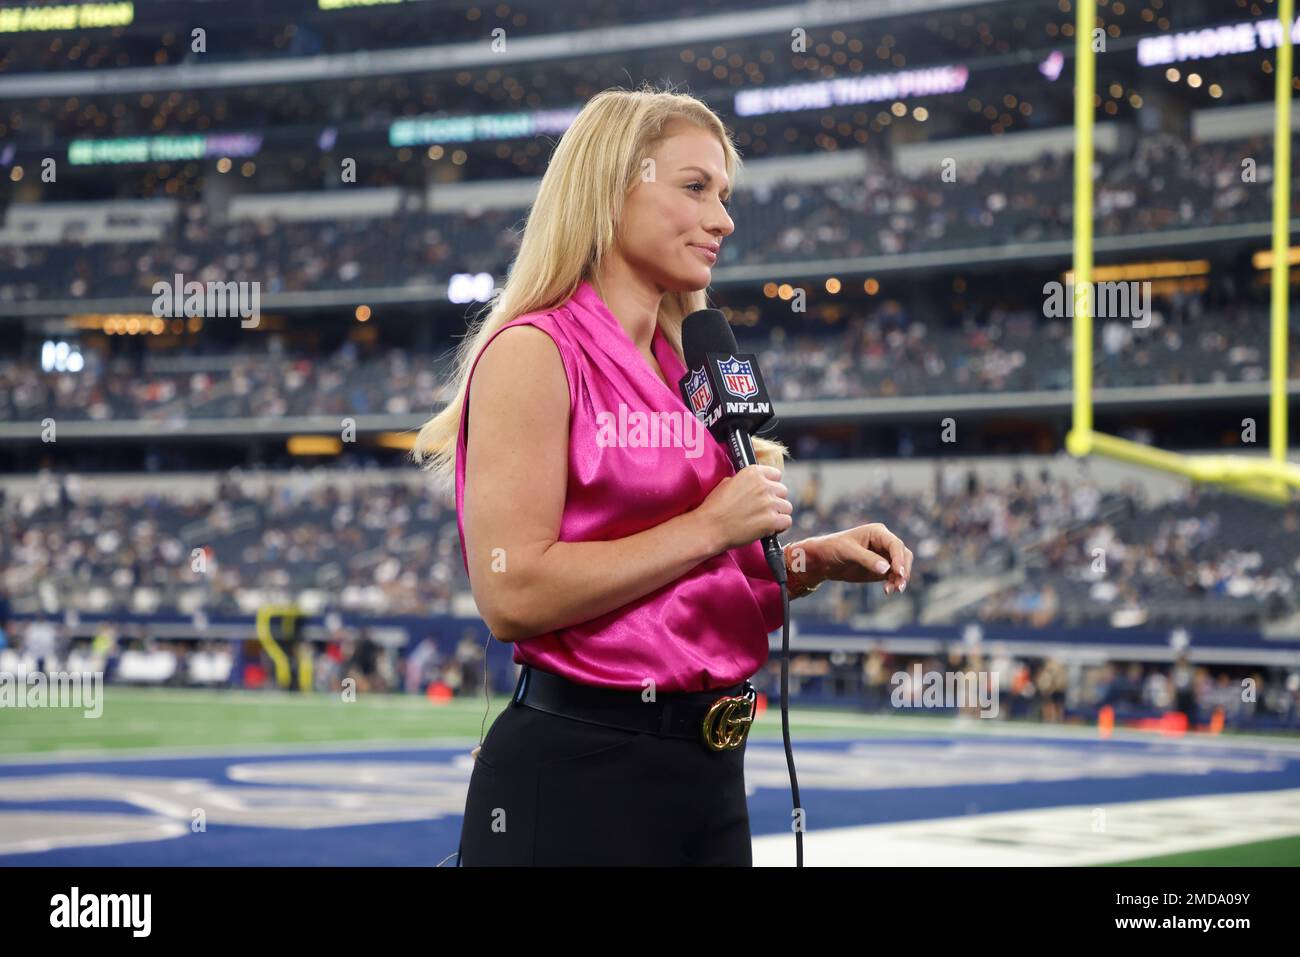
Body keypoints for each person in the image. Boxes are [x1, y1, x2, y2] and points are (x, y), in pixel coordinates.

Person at [411, 84, 913, 866]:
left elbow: (688, 589)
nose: (724, 218)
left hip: (709, 776)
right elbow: (512, 593)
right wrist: (711, 524)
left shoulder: (694, 366)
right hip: (581, 774)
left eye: (724, 193)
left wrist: (808, 561)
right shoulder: (534, 351)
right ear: (612, 187)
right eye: (694, 187)